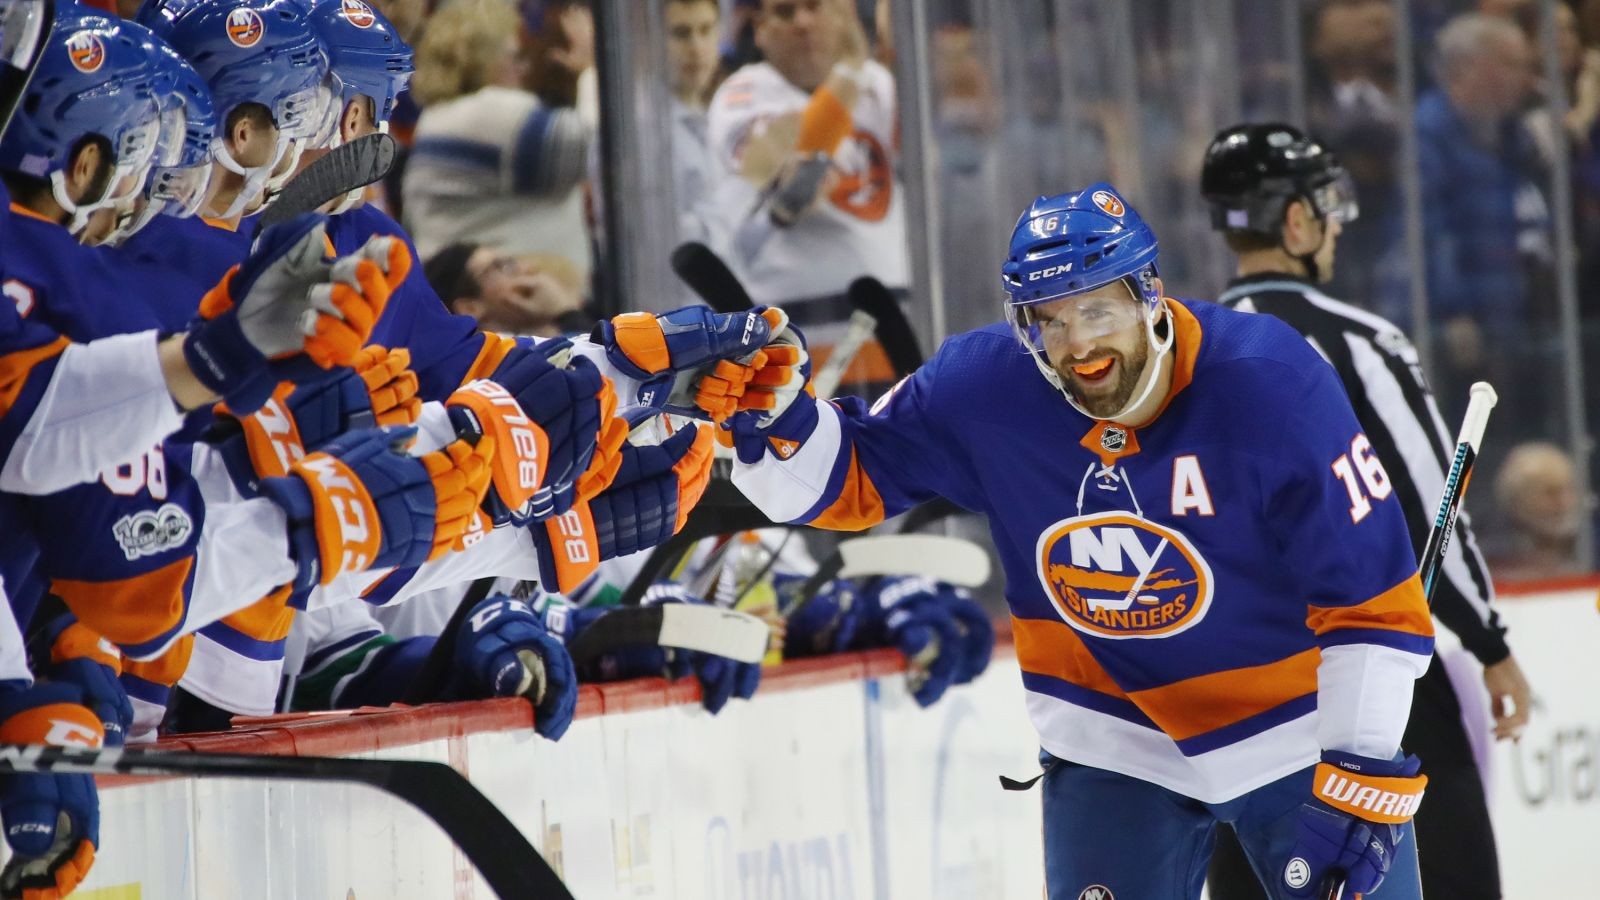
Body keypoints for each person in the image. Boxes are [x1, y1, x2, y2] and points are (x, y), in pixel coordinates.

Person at [721, 183, 1434, 899]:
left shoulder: (1271, 384)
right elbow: (843, 476)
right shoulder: (984, 388)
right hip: (1113, 734)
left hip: (1295, 728)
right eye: (1050, 320)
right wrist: (771, 419)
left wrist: (1360, 769)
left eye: (1097, 309)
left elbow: (1373, 604)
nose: (1079, 344)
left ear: (1149, 296)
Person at [1201, 121, 1533, 900]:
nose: (1338, 226)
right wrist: (1489, 642)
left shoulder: (1183, 358)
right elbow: (1429, 504)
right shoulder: (1358, 341)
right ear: (1296, 221)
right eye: (1326, 207)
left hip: (1227, 690)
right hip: (1368, 663)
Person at [705, 0, 908, 379]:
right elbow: (773, 162)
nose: (802, 22)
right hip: (793, 331)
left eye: (814, 7)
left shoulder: (878, 83)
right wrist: (848, 71)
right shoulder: (743, 92)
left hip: (894, 322)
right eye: (785, 12)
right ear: (760, 29)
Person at [401, 0, 592, 274]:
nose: (523, 68)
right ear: (482, 60)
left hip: (478, 290)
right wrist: (591, 69)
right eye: (514, 56)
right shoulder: (483, 115)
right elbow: (595, 148)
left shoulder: (442, 118)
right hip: (502, 294)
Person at [1490, 441, 1585, 580]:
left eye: (1568, 489)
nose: (1564, 503)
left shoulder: (1589, 553)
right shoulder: (1496, 564)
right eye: (1550, 493)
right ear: (1517, 500)